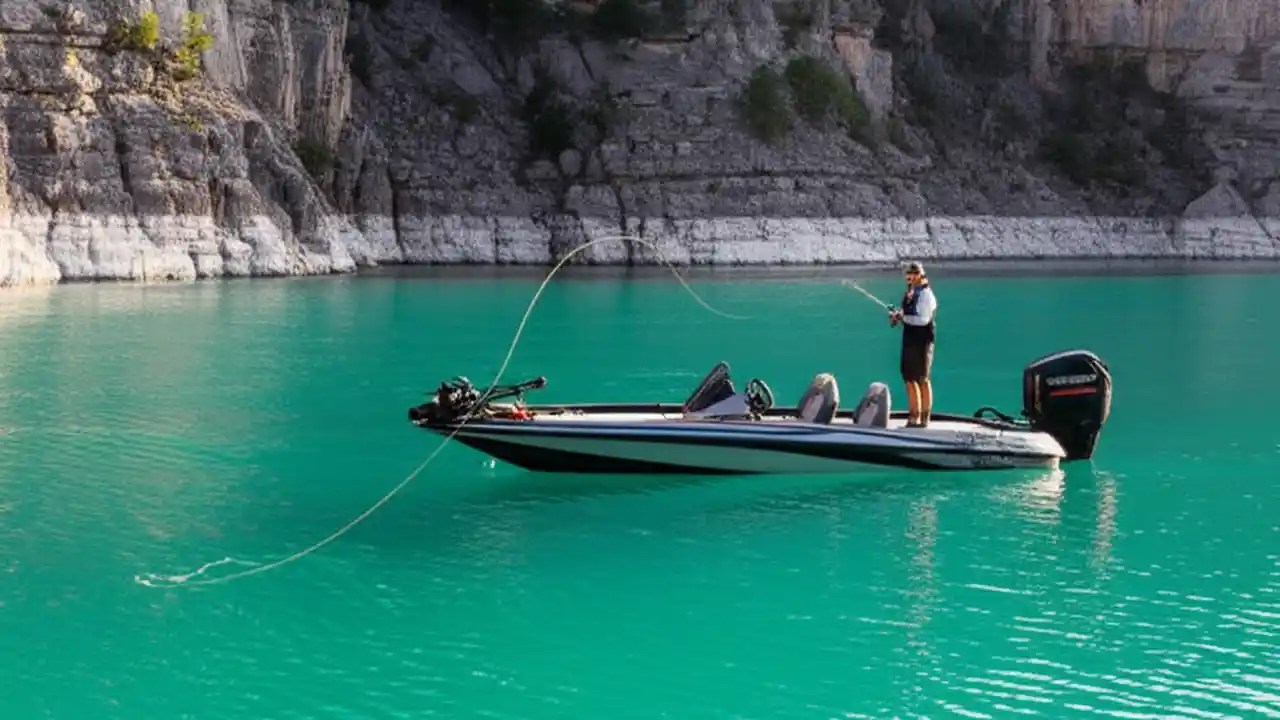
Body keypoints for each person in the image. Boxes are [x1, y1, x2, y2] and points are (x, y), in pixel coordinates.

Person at [888, 261, 937, 428]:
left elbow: (923, 320)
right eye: (907, 274)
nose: (908, 277)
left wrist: (903, 318)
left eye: (912, 274)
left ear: (919, 275)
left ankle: (924, 417)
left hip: (923, 341)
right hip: (909, 340)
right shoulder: (910, 293)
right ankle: (913, 415)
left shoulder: (926, 295)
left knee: (922, 378)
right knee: (909, 378)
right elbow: (908, 314)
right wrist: (897, 315)